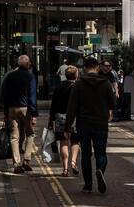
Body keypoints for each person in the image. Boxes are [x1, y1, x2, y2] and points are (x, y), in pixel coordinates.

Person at [65, 55, 116, 194]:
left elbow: (72, 107)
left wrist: (67, 126)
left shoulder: (79, 84)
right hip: (101, 123)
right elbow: (113, 103)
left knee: (86, 154)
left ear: (85, 68)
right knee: (101, 152)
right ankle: (100, 169)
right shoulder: (105, 83)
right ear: (97, 67)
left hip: (84, 124)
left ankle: (88, 185)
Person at [0, 54, 37, 173]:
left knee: (14, 137)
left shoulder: (10, 76)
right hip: (25, 108)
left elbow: (5, 95)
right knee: (30, 134)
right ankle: (26, 159)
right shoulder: (30, 76)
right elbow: (32, 96)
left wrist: (5, 113)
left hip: (12, 109)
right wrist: (34, 113)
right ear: (27, 64)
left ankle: (16, 164)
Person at [49, 64, 80, 176]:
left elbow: (53, 105)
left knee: (63, 142)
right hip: (75, 118)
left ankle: (65, 168)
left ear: (65, 75)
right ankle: (73, 162)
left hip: (60, 117)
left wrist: (51, 119)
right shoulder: (78, 87)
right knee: (75, 141)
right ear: (76, 75)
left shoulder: (59, 87)